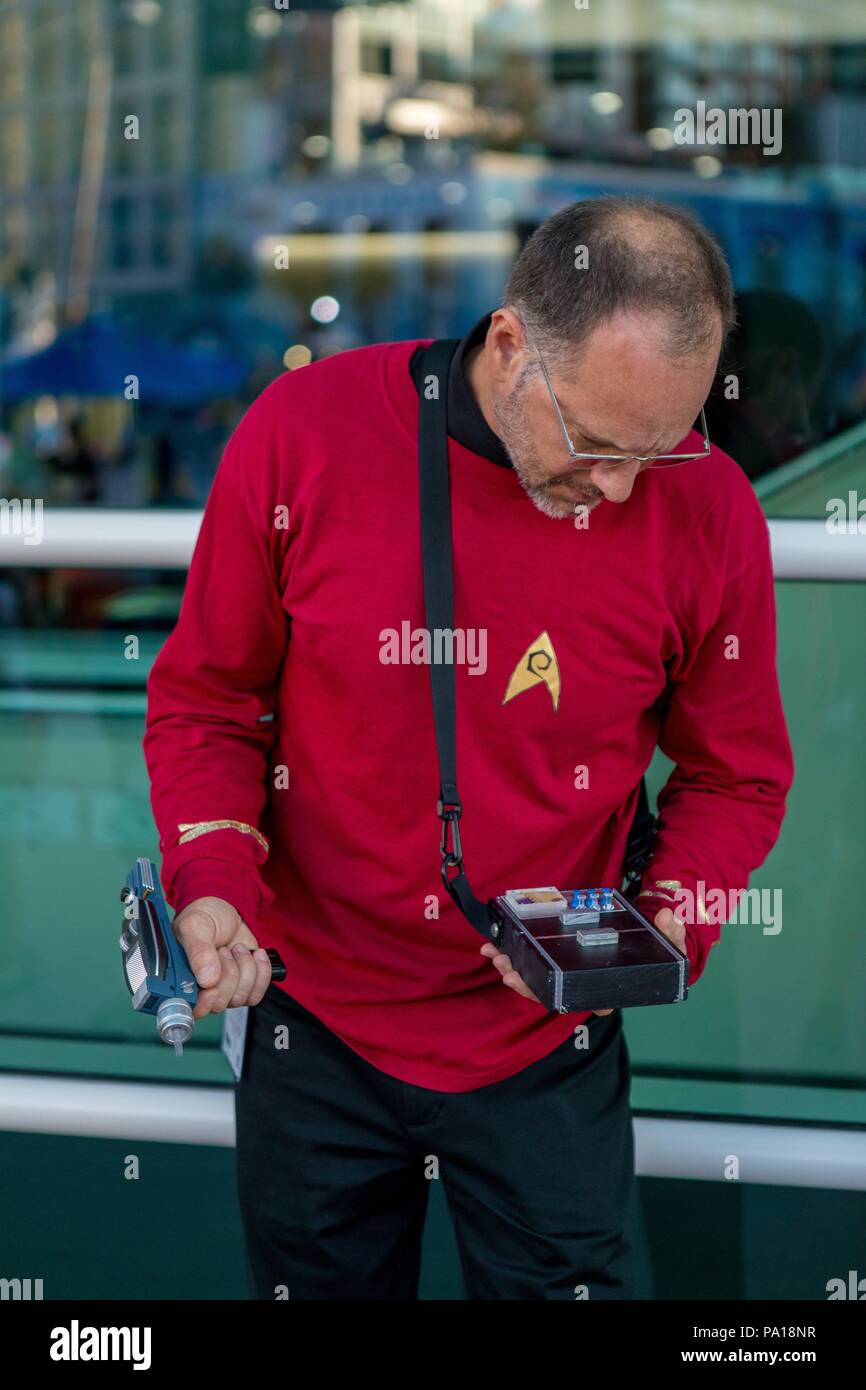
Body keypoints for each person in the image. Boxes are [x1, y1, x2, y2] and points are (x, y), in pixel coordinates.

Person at [143, 196, 794, 1301]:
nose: (621, 488)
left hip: (550, 1040)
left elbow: (736, 772)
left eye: (661, 447)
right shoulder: (304, 431)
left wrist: (652, 936)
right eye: (593, 443)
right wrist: (210, 883)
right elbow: (209, 698)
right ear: (507, 345)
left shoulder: (708, 503)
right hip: (313, 1024)